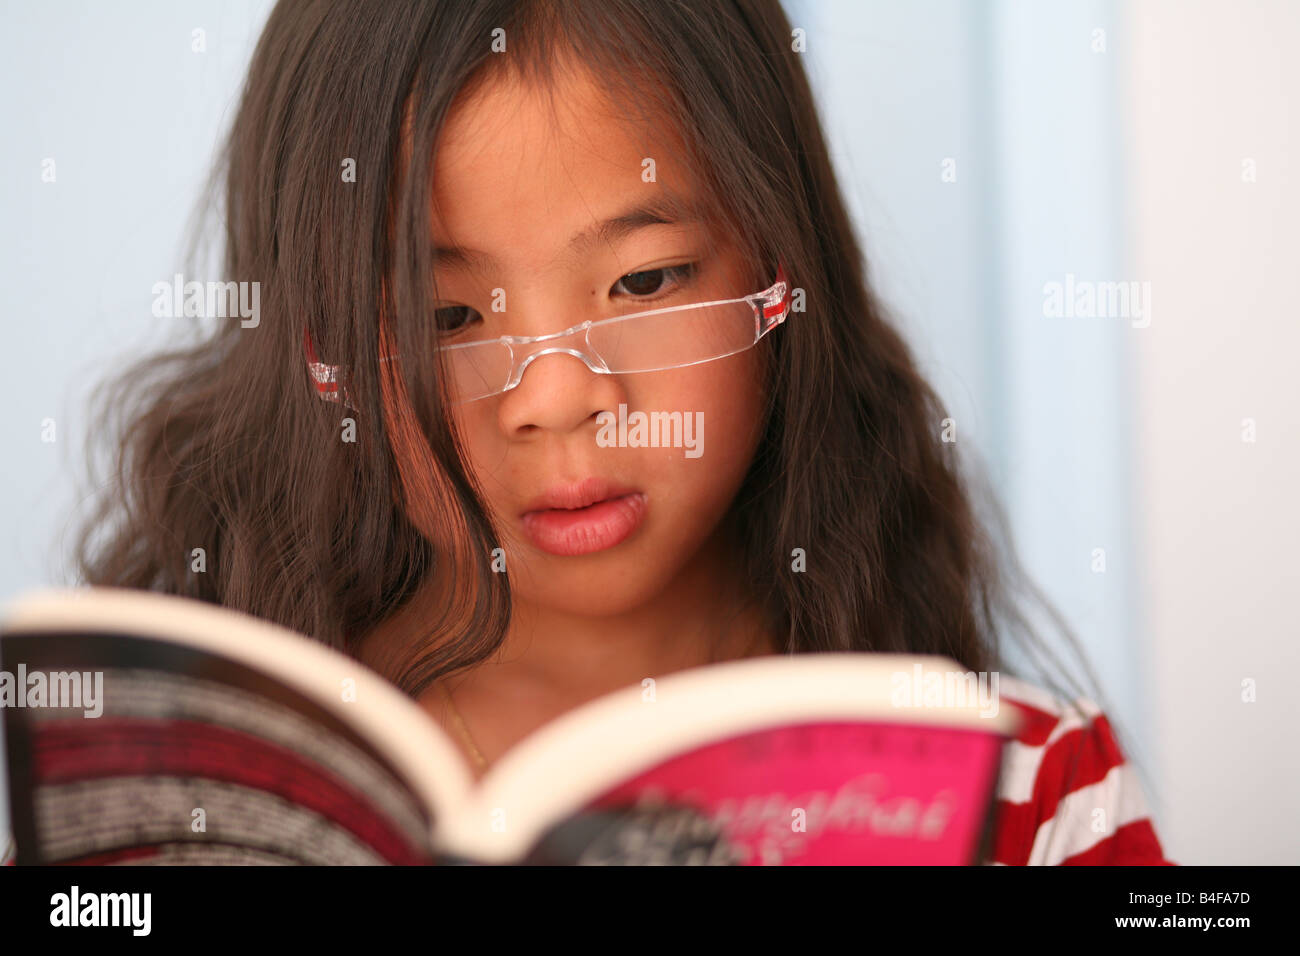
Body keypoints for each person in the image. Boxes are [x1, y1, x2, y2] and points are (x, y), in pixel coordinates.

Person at [73, 0, 1172, 865]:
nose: (555, 396)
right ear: (317, 352)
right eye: (443, 318)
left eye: (644, 280)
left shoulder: (1028, 791)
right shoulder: (185, 796)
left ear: (780, 269)